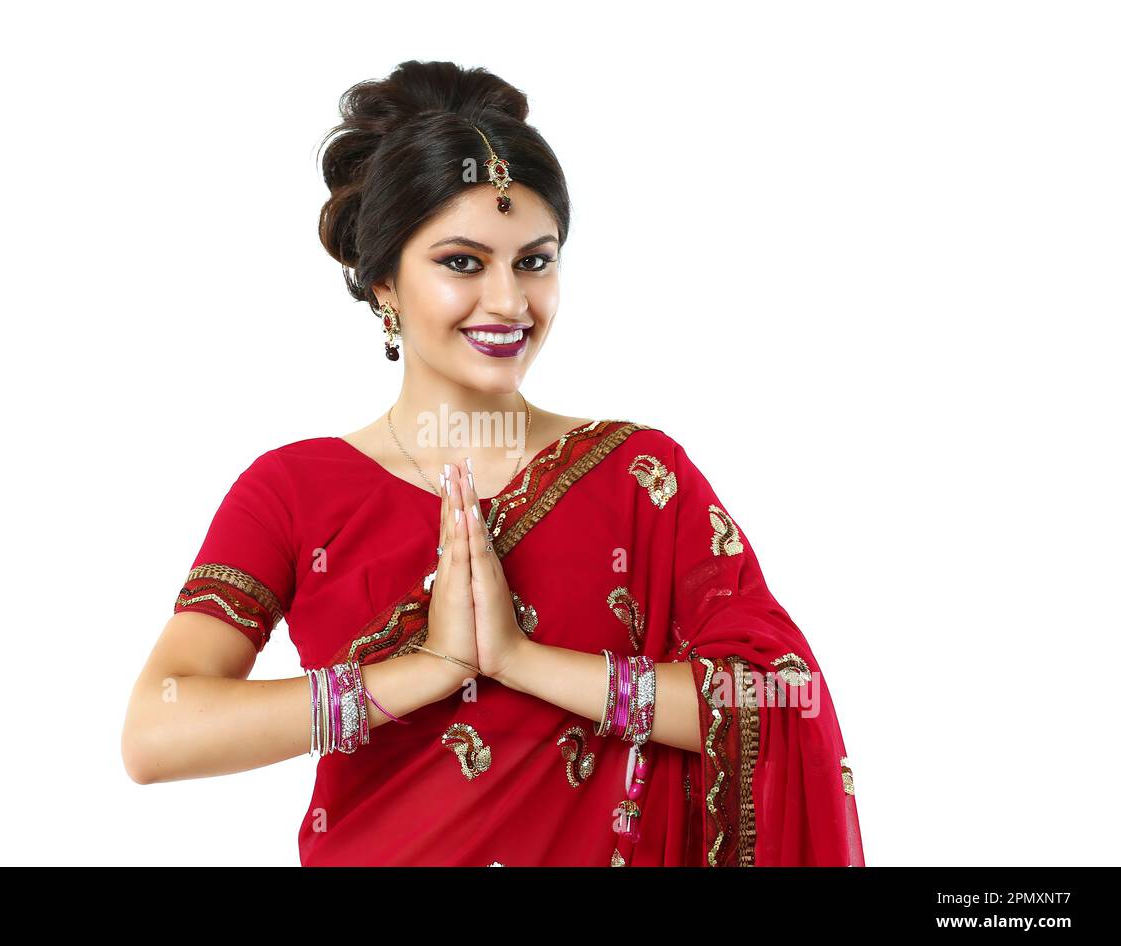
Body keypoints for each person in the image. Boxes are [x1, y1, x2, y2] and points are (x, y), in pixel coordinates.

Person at [121, 59, 866, 867]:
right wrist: (426, 670)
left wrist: (521, 661)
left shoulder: (639, 475)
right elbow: (158, 733)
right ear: (384, 282)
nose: (510, 302)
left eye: (535, 261)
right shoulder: (292, 491)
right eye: (463, 262)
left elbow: (776, 703)